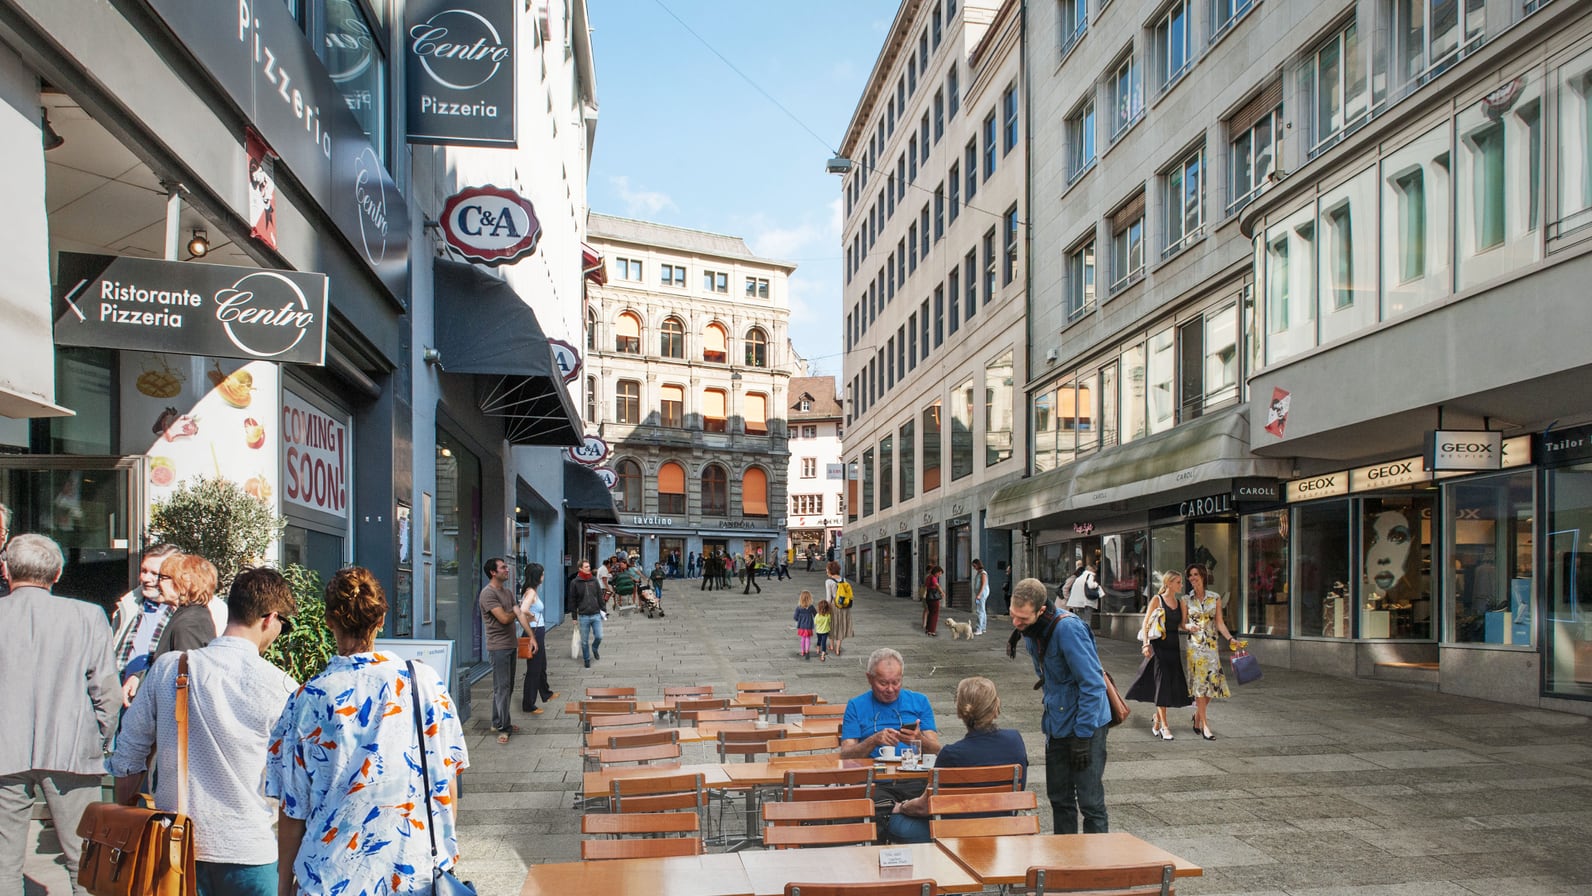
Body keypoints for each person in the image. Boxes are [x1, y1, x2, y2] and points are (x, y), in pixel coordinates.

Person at [267, 567, 469, 896]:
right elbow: (446, 779)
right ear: (381, 620)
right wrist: (440, 853)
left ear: (329, 621)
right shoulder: (424, 683)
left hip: (329, 878)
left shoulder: (307, 699)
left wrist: (283, 883)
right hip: (411, 874)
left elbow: (293, 809)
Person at [110, 567, 299, 896]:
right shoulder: (281, 688)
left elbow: (128, 757)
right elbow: (293, 788)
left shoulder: (170, 667)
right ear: (270, 618)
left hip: (173, 845)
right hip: (250, 851)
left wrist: (126, 826)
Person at [0, 534, 119, 896]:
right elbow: (106, 691)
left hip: (5, 747)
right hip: (72, 746)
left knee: (3, 864)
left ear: (5, 570)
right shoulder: (86, 616)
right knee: (85, 861)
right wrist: (99, 738)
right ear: (58, 573)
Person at [1009, 577, 1110, 834]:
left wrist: (1083, 735)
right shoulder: (1031, 631)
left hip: (1086, 726)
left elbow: (1093, 685)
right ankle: (1066, 863)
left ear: (1041, 610)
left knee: (1090, 802)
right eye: (1013, 615)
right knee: (1059, 799)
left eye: (1022, 618)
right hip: (1056, 725)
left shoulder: (1068, 629)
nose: (1016, 623)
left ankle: (1095, 869)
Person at [886, 677, 1028, 843]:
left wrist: (901, 806)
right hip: (1002, 827)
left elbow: (924, 807)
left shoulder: (952, 754)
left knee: (895, 821)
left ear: (960, 711)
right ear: (996, 707)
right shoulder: (1014, 740)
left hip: (957, 833)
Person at [840, 648, 942, 804]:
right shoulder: (856, 705)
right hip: (875, 784)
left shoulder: (919, 701)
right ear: (869, 678)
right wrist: (873, 741)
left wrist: (918, 740)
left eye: (896, 682)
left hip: (915, 782)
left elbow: (936, 750)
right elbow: (846, 755)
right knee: (876, 806)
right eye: (883, 683)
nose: (890, 689)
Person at [1123, 570, 1193, 741]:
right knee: (1162, 684)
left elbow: (1183, 625)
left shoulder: (1181, 602)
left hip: (1174, 649)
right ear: (1168, 583)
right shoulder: (1157, 600)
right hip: (1158, 648)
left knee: (1168, 685)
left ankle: (1156, 720)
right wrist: (1145, 644)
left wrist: (1192, 627)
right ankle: (1165, 726)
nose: (1181, 585)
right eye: (1178, 582)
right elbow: (1146, 623)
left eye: (1181, 582)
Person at [110, 542, 181, 706]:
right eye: (143, 571)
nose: (145, 578)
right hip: (119, 700)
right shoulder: (128, 606)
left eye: (154, 574)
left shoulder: (186, 613)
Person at [1185, 563, 1236, 740]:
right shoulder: (1186, 599)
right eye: (1190, 575)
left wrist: (1230, 638)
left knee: (1213, 685)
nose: (1192, 578)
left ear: (1203, 576)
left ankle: (1197, 715)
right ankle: (1205, 725)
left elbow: (1220, 622)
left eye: (1196, 574)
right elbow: (1181, 622)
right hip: (1194, 647)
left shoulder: (1215, 598)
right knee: (1200, 686)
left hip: (1212, 646)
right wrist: (1187, 625)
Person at [478, 557, 519, 744]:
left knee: (506, 687)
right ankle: (504, 727)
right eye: (503, 567)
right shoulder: (487, 594)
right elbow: (504, 618)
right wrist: (518, 613)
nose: (507, 569)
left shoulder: (508, 592)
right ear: (493, 572)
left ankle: (497, 721)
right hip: (498, 646)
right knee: (502, 688)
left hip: (510, 644)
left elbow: (516, 613)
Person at [151, 552, 221, 659]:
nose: (157, 583)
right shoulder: (191, 615)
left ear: (184, 583)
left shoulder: (189, 624)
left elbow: (187, 671)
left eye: (162, 577)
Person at [516, 563, 558, 716]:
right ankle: (529, 703)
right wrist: (532, 617)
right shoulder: (531, 593)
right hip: (534, 631)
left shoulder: (531, 591)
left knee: (541, 665)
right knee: (534, 668)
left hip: (538, 630)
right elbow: (523, 610)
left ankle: (546, 693)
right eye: (542, 574)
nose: (543, 576)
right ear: (537, 576)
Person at [569, 559, 605, 668]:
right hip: (583, 616)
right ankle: (587, 659)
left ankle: (594, 648)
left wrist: (604, 610)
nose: (588, 568)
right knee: (584, 641)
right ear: (580, 568)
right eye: (586, 567)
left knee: (599, 636)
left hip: (595, 614)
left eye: (589, 566)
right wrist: (574, 617)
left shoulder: (594, 580)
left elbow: (599, 596)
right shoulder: (575, 582)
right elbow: (572, 600)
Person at [824, 560, 853, 657]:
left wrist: (825, 608)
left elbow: (828, 597)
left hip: (834, 606)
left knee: (832, 624)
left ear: (830, 570)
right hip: (844, 606)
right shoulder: (844, 580)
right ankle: (837, 649)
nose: (826, 571)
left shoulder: (828, 581)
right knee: (841, 625)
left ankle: (831, 646)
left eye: (827, 569)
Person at [1066, 560, 1101, 627]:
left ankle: (1080, 633)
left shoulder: (1080, 577)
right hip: (1086, 602)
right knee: (1087, 619)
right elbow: (1091, 585)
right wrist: (1096, 584)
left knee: (1080, 619)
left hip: (1077, 602)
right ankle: (1086, 634)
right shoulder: (1090, 575)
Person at [794, 590, 817, 659]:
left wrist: (799, 619)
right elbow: (816, 614)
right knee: (808, 638)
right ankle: (807, 651)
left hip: (801, 626)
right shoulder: (811, 607)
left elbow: (795, 617)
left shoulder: (799, 607)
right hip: (809, 625)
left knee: (803, 638)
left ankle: (802, 651)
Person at [922, 564, 944, 636]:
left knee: (931, 613)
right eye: (939, 573)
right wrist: (942, 592)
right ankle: (932, 631)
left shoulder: (928, 577)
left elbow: (926, 585)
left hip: (929, 596)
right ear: (936, 572)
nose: (939, 575)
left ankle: (928, 629)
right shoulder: (933, 577)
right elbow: (937, 585)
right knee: (935, 613)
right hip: (933, 597)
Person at [972, 558, 991, 635]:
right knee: (982, 610)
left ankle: (979, 629)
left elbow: (983, 584)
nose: (974, 567)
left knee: (980, 611)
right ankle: (983, 627)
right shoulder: (979, 573)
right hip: (981, 593)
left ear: (978, 565)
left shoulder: (983, 573)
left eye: (974, 565)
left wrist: (979, 594)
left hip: (982, 593)